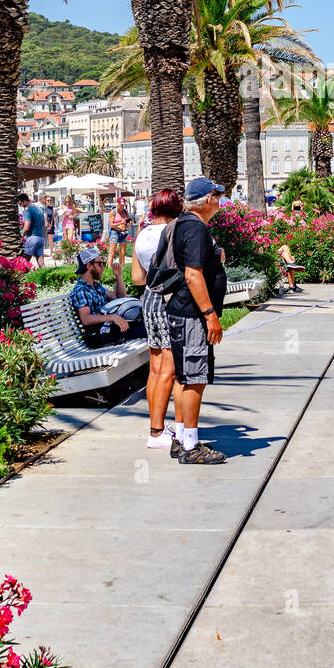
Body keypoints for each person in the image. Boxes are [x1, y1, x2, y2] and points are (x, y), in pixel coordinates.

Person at [164, 177, 229, 465]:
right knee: (194, 379)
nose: (219, 200)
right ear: (206, 201)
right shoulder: (194, 227)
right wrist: (210, 315)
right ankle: (191, 446)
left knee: (184, 377)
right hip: (192, 315)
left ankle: (181, 438)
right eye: (216, 195)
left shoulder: (188, 225)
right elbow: (192, 275)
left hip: (184, 313)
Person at [132, 189, 184, 450]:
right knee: (170, 368)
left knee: (154, 368)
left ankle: (157, 427)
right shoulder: (173, 232)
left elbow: (137, 279)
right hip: (167, 298)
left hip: (149, 299)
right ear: (177, 208)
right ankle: (156, 433)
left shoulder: (142, 234)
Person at [70, 246, 138, 346]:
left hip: (108, 329)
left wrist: (118, 276)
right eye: (100, 263)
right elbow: (86, 319)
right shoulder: (81, 290)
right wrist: (112, 317)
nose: (103, 267)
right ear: (89, 265)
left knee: (146, 326)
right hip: (97, 335)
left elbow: (119, 298)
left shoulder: (96, 286)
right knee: (147, 329)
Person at [18, 193, 46, 270]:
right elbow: (44, 224)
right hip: (40, 238)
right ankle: (45, 279)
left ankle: (25, 280)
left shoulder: (27, 211)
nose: (20, 205)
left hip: (32, 238)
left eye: (20, 203)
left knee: (25, 263)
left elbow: (27, 227)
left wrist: (21, 236)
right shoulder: (39, 209)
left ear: (24, 201)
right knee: (41, 264)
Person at [107, 195, 131, 273]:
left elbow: (128, 221)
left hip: (123, 232)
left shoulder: (125, 211)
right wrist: (121, 222)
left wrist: (128, 223)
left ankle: (122, 270)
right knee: (112, 252)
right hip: (115, 232)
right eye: (120, 205)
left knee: (123, 253)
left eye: (123, 205)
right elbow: (111, 225)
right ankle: (109, 270)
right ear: (117, 204)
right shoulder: (113, 212)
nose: (121, 207)